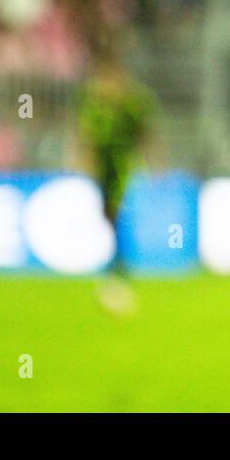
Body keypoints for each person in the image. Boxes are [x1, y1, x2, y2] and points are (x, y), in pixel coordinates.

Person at [73, 40, 158, 316]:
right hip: (101, 168)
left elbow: (146, 134)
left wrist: (153, 161)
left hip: (122, 167)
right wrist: (81, 159)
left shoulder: (132, 104)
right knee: (109, 217)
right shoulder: (94, 104)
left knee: (117, 215)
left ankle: (118, 268)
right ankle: (117, 267)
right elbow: (85, 135)